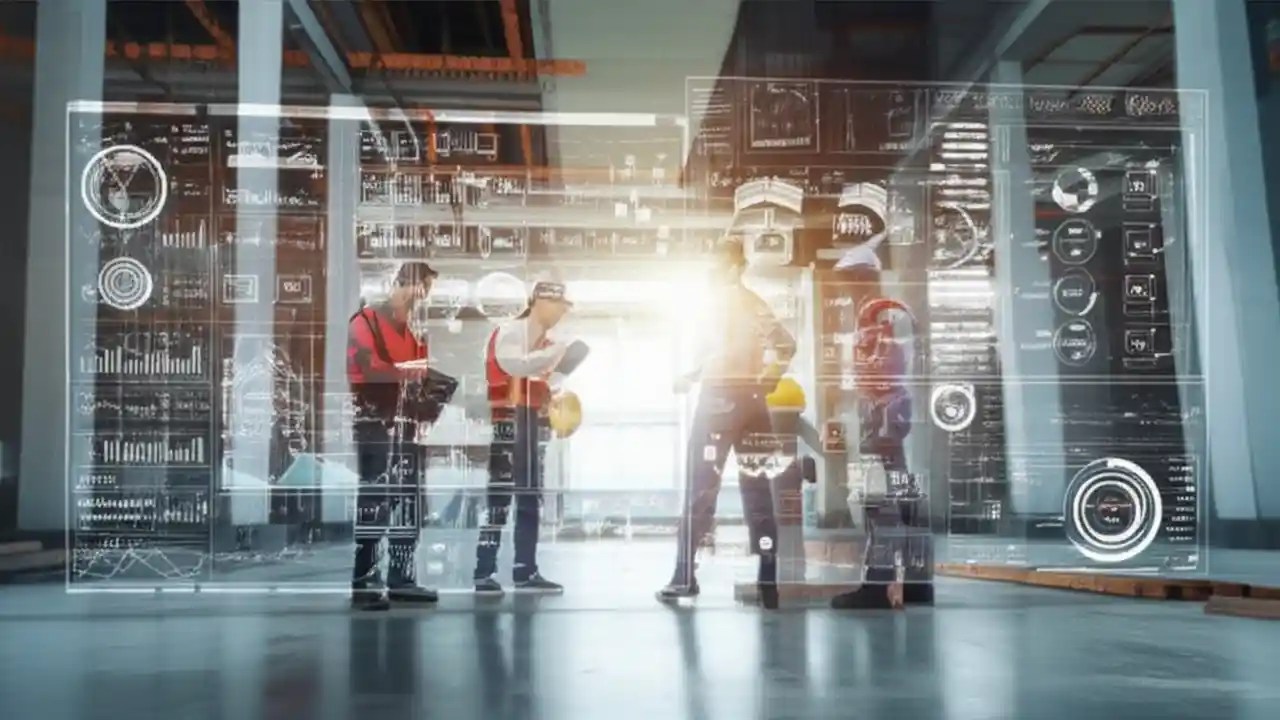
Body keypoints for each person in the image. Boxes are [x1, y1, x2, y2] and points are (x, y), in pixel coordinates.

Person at [658, 237, 796, 608]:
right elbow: (785, 345)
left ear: (736, 267)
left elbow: (713, 351)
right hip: (754, 405)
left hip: (719, 400)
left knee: (701, 490)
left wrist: (692, 375)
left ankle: (684, 576)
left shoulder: (717, 303)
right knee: (759, 494)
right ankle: (769, 582)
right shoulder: (754, 304)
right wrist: (768, 377)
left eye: (717, 264)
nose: (711, 271)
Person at [828, 238, 932, 609]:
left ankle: (878, 583)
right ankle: (915, 582)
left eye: (847, 279)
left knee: (880, 499)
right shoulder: (874, 311)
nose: (844, 287)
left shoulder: (879, 311)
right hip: (886, 411)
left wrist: (879, 410)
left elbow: (892, 363)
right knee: (895, 496)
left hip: (884, 413)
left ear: (861, 276)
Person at [347, 261, 440, 610]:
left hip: (407, 427)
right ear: (408, 284)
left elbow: (416, 380)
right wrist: (412, 372)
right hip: (374, 423)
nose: (424, 296)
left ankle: (402, 578)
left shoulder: (411, 331)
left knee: (407, 503)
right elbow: (370, 370)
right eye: (423, 288)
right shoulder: (365, 321)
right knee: (375, 502)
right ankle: (365, 583)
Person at [473, 280, 574, 594]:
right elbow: (512, 364)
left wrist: (553, 400)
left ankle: (525, 570)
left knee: (530, 498)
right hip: (509, 421)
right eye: (558, 306)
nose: (561, 314)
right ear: (540, 303)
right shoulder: (512, 332)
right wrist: (555, 354)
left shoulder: (544, 342)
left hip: (529, 423)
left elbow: (535, 382)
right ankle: (484, 571)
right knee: (500, 499)